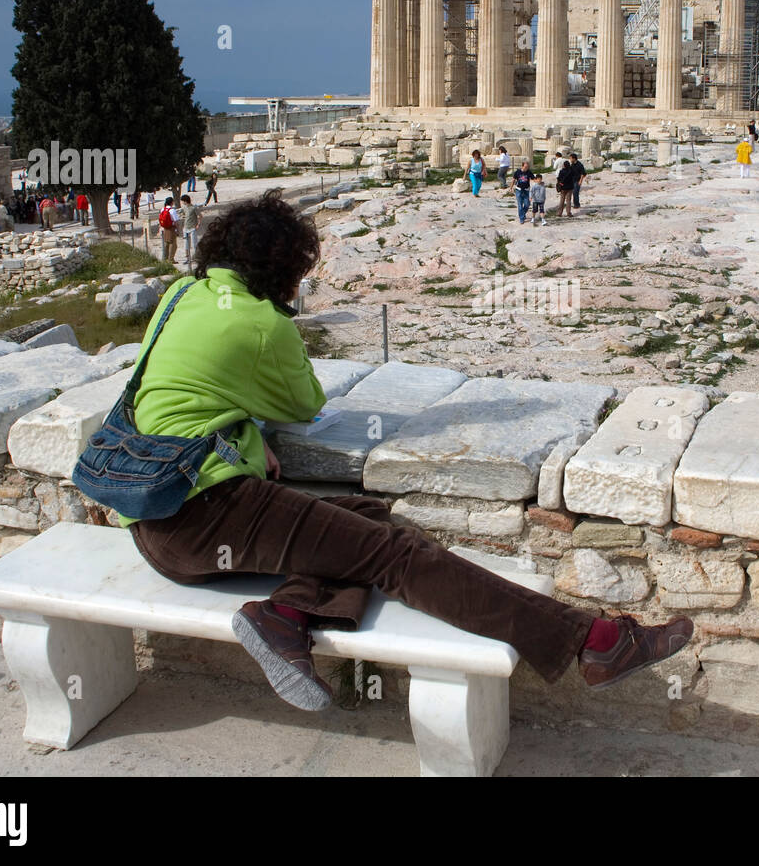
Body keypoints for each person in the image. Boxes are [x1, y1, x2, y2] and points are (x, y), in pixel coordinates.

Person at [121, 190, 694, 712]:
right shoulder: (264, 324)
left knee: (367, 519)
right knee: (395, 556)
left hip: (150, 515)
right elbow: (304, 403)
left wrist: (241, 429)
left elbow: (182, 390)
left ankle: (286, 614)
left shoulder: (179, 294)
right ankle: (595, 642)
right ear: (286, 267)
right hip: (205, 515)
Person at [180, 194, 202, 262]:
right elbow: (182, 214)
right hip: (186, 228)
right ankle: (188, 258)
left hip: (192, 227)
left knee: (194, 243)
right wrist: (183, 217)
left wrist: (198, 224)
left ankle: (196, 257)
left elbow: (200, 216)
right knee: (186, 244)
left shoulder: (194, 208)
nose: (182, 203)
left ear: (185, 201)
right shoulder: (184, 208)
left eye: (183, 201)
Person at [511, 158, 532, 224]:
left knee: (527, 204)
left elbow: (534, 178)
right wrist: (511, 187)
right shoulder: (517, 172)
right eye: (525, 167)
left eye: (527, 167)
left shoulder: (529, 172)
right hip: (519, 190)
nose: (526, 168)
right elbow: (513, 180)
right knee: (520, 205)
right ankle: (522, 218)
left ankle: (522, 214)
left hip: (526, 190)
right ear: (522, 166)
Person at [160, 197, 178, 263]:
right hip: (171, 228)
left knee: (166, 243)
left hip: (165, 228)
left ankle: (165, 258)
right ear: (172, 202)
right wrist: (177, 229)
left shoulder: (162, 209)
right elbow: (176, 221)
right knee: (173, 244)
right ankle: (171, 259)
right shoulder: (172, 210)